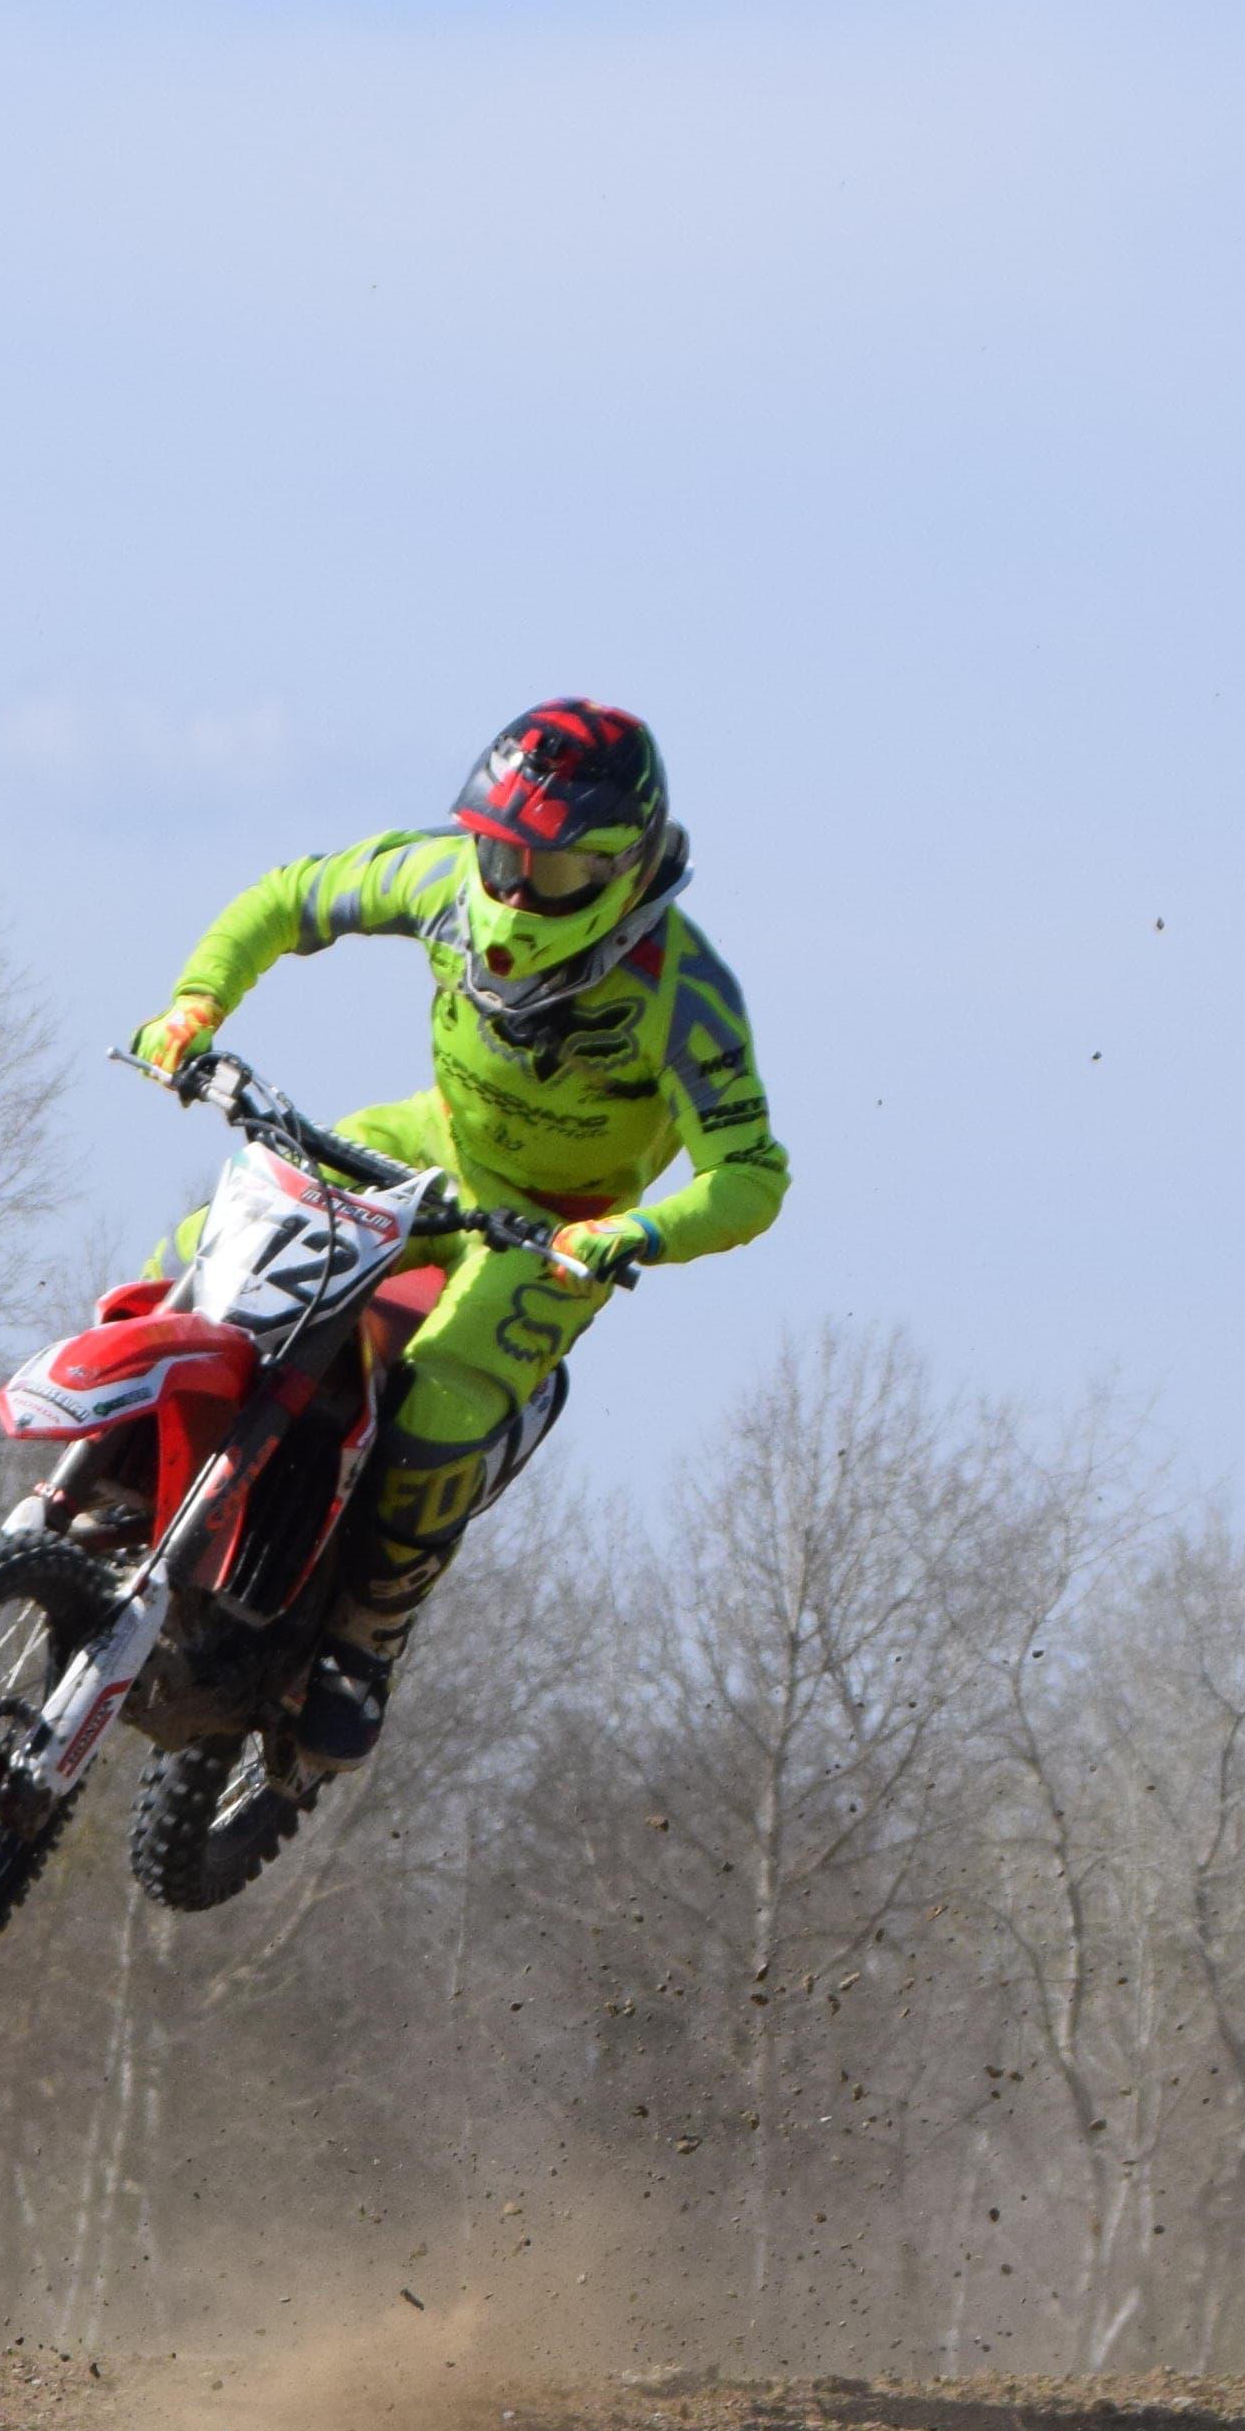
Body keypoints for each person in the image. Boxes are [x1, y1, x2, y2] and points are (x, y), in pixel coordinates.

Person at [128, 698, 788, 1771]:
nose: (517, 896)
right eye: (499, 854)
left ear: (625, 873)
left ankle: (363, 1639)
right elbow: (292, 898)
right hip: (431, 1142)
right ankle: (130, 1484)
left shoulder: (686, 995)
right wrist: (197, 1005)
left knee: (436, 1404)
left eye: (557, 876)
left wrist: (643, 1231)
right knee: (206, 1252)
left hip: (562, 1227)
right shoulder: (440, 880)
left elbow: (751, 1172)